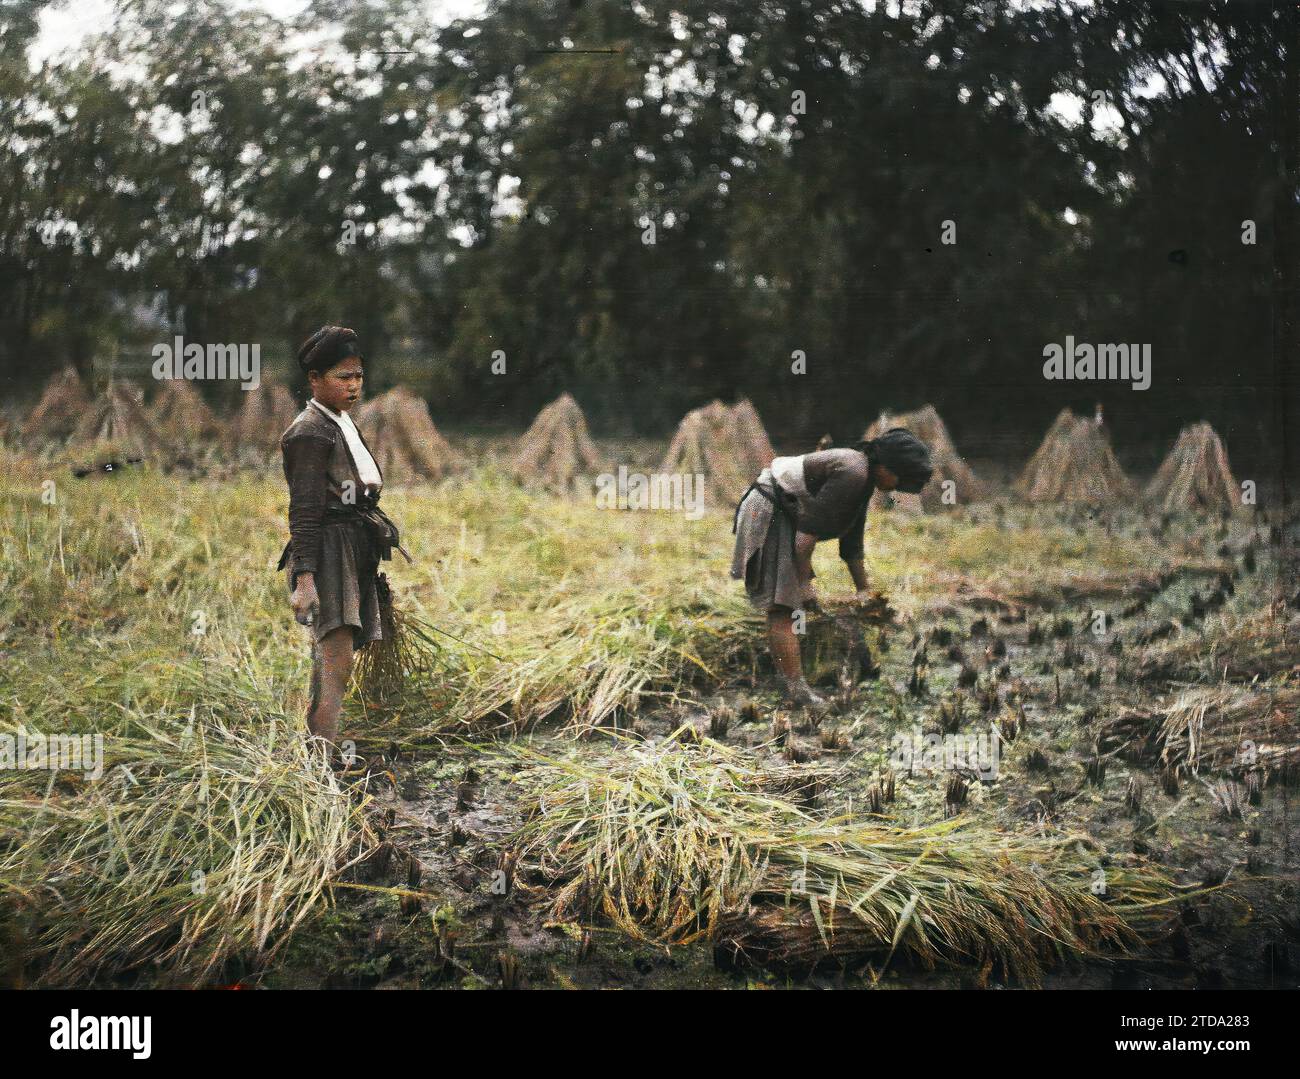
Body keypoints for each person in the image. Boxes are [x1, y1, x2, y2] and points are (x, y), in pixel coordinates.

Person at [731, 428, 933, 710]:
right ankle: (796, 691)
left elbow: (852, 541)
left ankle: (793, 678)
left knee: (790, 603)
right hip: (767, 508)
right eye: (900, 477)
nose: (899, 486)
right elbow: (804, 537)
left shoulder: (863, 477)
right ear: (886, 465)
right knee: (784, 607)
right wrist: (804, 583)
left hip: (784, 513)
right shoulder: (853, 472)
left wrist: (865, 592)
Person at [277, 325, 410, 749]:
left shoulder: (340, 422)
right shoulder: (309, 432)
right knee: (334, 660)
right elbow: (304, 511)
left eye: (358, 376)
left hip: (352, 548)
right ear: (315, 380)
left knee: (340, 658)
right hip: (328, 551)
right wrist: (305, 578)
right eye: (342, 377)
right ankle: (319, 763)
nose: (353, 386)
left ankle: (323, 749)